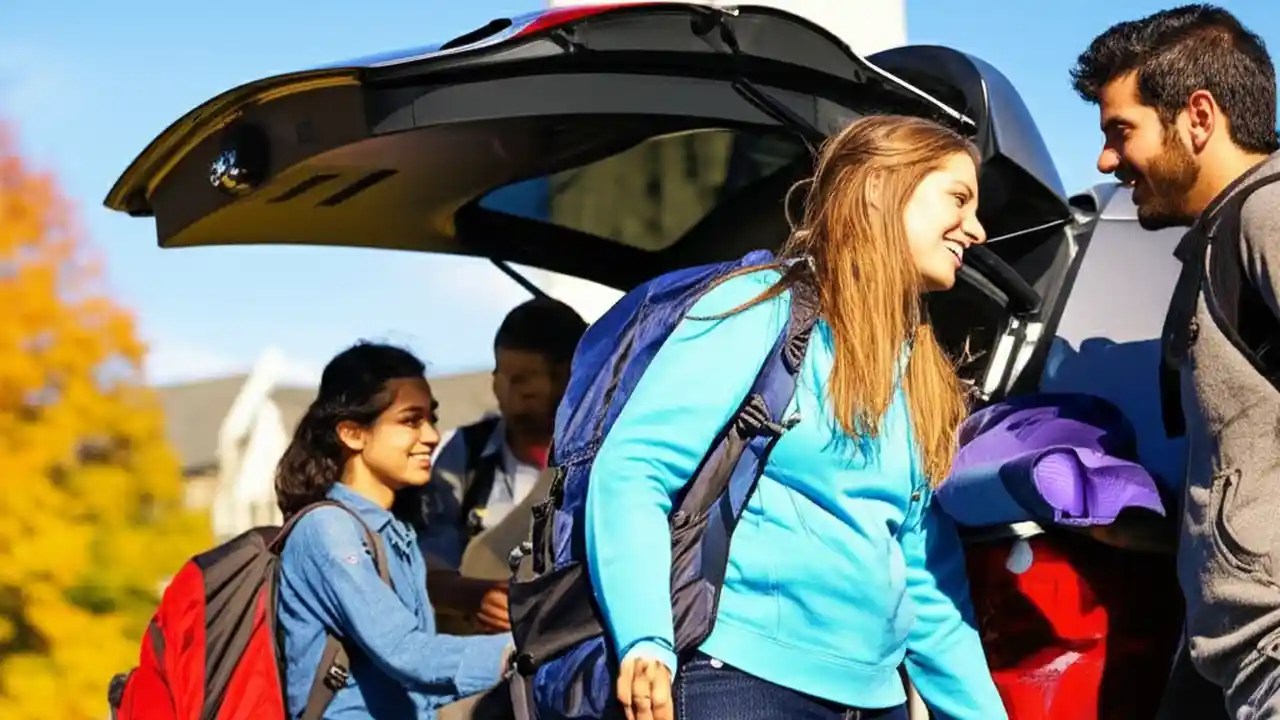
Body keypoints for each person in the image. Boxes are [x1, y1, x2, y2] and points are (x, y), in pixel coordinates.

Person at [586, 115, 1005, 720]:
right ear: (877, 190)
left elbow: (926, 580)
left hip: (877, 700)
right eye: (958, 199)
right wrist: (645, 638)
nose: (978, 229)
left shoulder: (920, 371)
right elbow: (635, 469)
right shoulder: (760, 307)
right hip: (741, 683)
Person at [1071, 5, 1280, 718]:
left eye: (1119, 131)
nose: (1105, 159)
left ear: (1197, 117)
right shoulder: (1221, 239)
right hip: (1222, 653)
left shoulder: (1267, 217)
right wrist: (1164, 533)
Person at [274, 342, 514, 719]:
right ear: (353, 433)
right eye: (410, 420)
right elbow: (409, 654)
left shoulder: (394, 533)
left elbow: (418, 687)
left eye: (431, 418)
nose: (432, 436)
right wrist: (527, 647)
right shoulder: (327, 530)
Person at [420, 298, 587, 633]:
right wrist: (471, 596)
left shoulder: (600, 456)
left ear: (569, 376)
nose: (507, 391)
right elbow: (427, 559)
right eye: (501, 374)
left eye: (524, 379)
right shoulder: (467, 454)